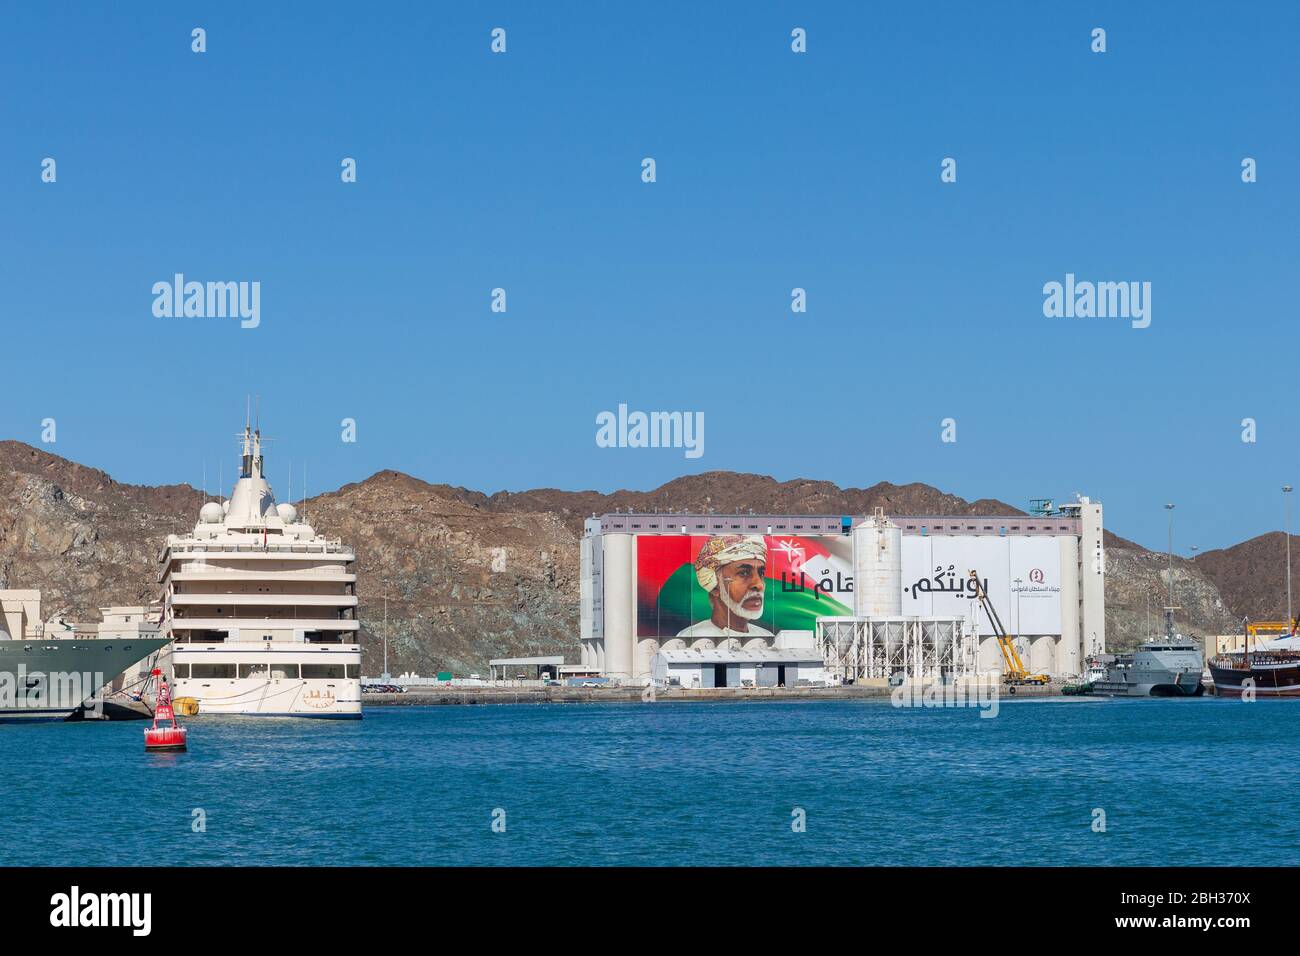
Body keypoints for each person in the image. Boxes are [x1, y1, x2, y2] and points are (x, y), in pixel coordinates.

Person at [676, 534, 774, 640]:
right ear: (715, 586)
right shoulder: (692, 638)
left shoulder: (767, 637)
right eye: (744, 573)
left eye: (761, 573)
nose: (758, 585)